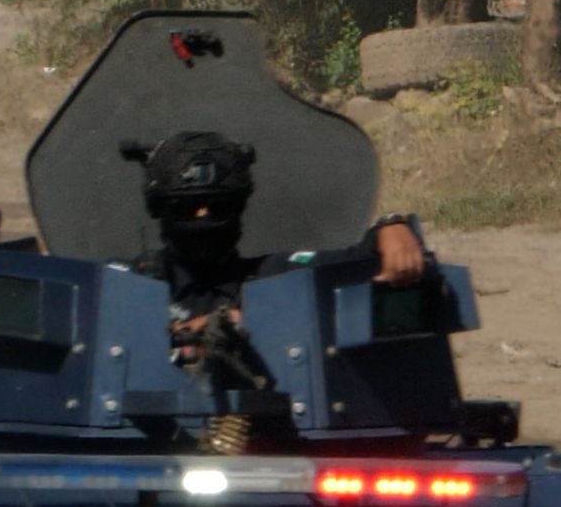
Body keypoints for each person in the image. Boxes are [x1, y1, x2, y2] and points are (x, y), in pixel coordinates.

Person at [125, 130, 425, 366]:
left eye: (218, 207)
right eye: (187, 209)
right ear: (158, 209)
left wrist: (392, 227)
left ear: (239, 206)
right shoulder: (128, 284)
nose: (203, 219)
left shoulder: (275, 277)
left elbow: (362, 260)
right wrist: (186, 333)